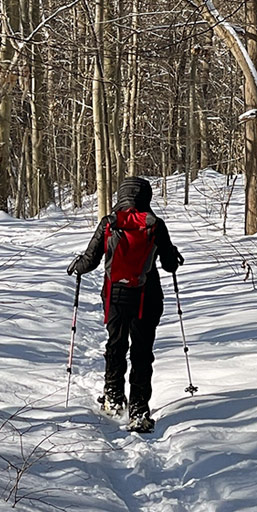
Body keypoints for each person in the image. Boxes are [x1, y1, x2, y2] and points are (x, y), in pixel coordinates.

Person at [66, 177, 184, 433]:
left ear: (120, 196)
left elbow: (90, 260)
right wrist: (173, 254)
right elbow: (169, 265)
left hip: (115, 296)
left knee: (116, 345)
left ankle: (113, 398)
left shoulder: (109, 223)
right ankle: (139, 411)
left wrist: (75, 267)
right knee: (142, 353)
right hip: (147, 298)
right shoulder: (155, 225)